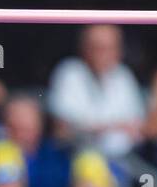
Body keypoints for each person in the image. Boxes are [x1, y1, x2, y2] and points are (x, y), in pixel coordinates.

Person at [47, 24, 146, 157]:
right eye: (98, 48)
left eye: (110, 48)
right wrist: (115, 126)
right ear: (84, 48)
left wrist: (98, 127)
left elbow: (136, 128)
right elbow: (64, 129)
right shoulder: (70, 72)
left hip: (123, 161)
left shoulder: (123, 75)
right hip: (76, 157)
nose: (103, 54)